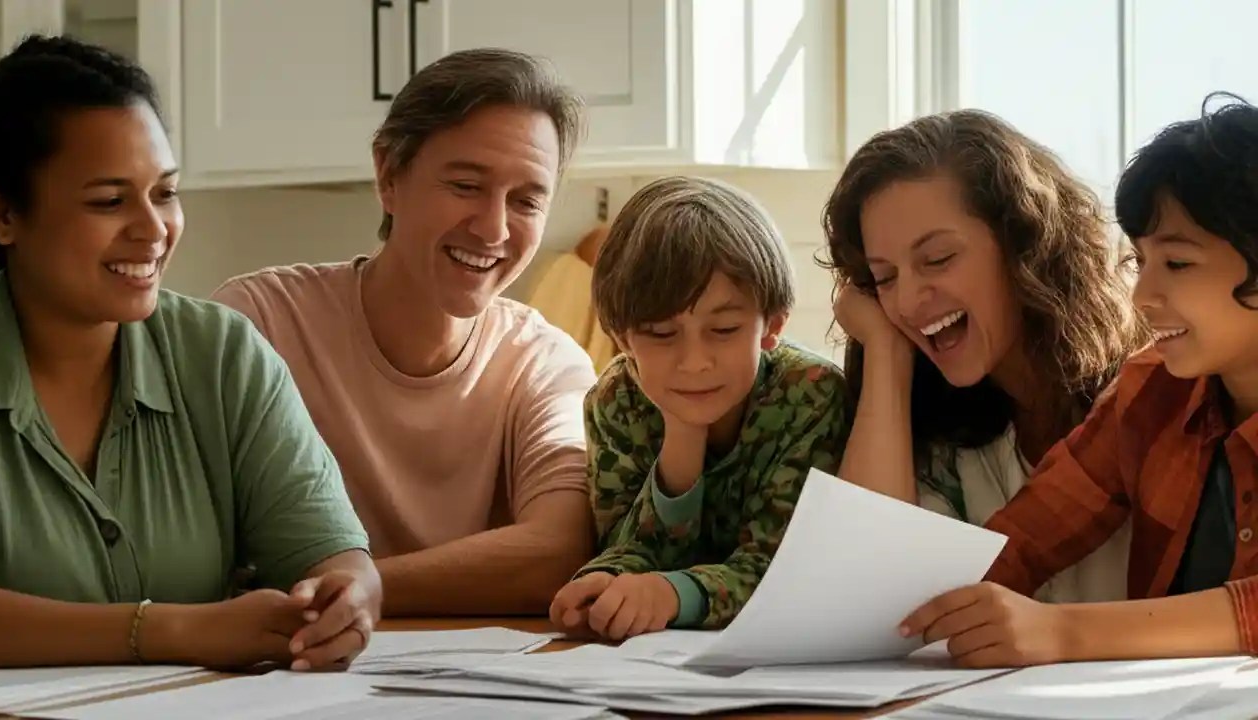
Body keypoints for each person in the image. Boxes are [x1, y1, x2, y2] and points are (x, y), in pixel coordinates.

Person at [0, 36, 379, 670]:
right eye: (110, 201)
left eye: (164, 193)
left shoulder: (222, 354)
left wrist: (344, 596)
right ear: (1, 213)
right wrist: (167, 631)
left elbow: (329, 552)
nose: (153, 228)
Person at [211, 49, 595, 616]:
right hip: (278, 671)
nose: (493, 228)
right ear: (389, 176)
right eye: (466, 186)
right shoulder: (258, 324)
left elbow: (558, 552)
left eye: (526, 201)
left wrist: (354, 591)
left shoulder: (545, 363)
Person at [901, 94, 1258, 667]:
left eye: (1178, 263)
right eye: (1140, 263)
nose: (1143, 297)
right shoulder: (1152, 391)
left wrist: (1063, 632)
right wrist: (901, 621)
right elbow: (1025, 538)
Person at [823, 110, 1146, 603]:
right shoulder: (939, 431)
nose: (907, 302)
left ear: (1024, 244)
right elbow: (866, 593)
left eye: (938, 260)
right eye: (884, 278)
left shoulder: (1155, 389)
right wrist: (886, 353)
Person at [549, 176, 851, 641]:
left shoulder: (809, 394)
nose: (694, 363)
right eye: (662, 335)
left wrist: (670, 595)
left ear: (771, 325)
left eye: (725, 329)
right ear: (624, 339)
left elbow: (782, 572)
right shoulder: (616, 401)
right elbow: (625, 547)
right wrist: (605, 583)